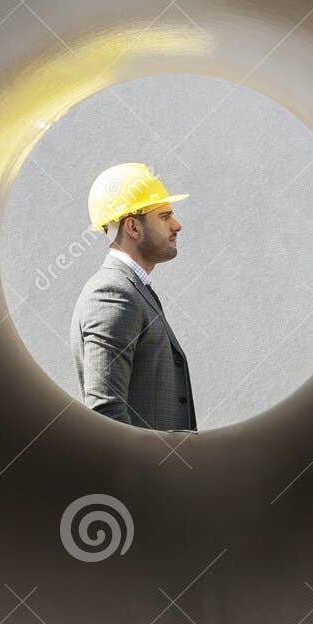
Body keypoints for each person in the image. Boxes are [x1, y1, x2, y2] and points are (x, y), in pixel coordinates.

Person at [71, 163, 197, 431]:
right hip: (143, 472)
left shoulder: (132, 288)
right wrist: (147, 470)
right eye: (164, 216)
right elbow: (106, 411)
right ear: (133, 227)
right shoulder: (113, 294)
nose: (177, 225)